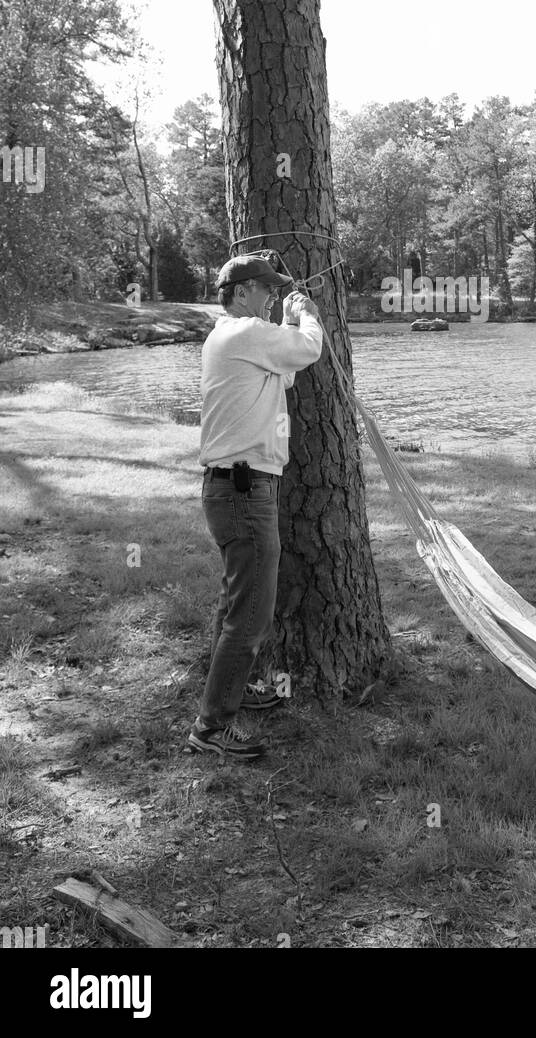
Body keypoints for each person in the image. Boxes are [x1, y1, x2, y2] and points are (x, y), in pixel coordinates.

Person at [189, 253, 323, 761]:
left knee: (236, 603)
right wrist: (304, 313)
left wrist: (286, 322)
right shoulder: (243, 332)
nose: (271, 296)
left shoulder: (237, 340)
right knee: (251, 613)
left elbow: (285, 373)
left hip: (235, 491)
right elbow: (309, 348)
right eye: (265, 288)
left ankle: (232, 690)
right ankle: (212, 727)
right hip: (243, 493)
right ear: (241, 292)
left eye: (275, 289)